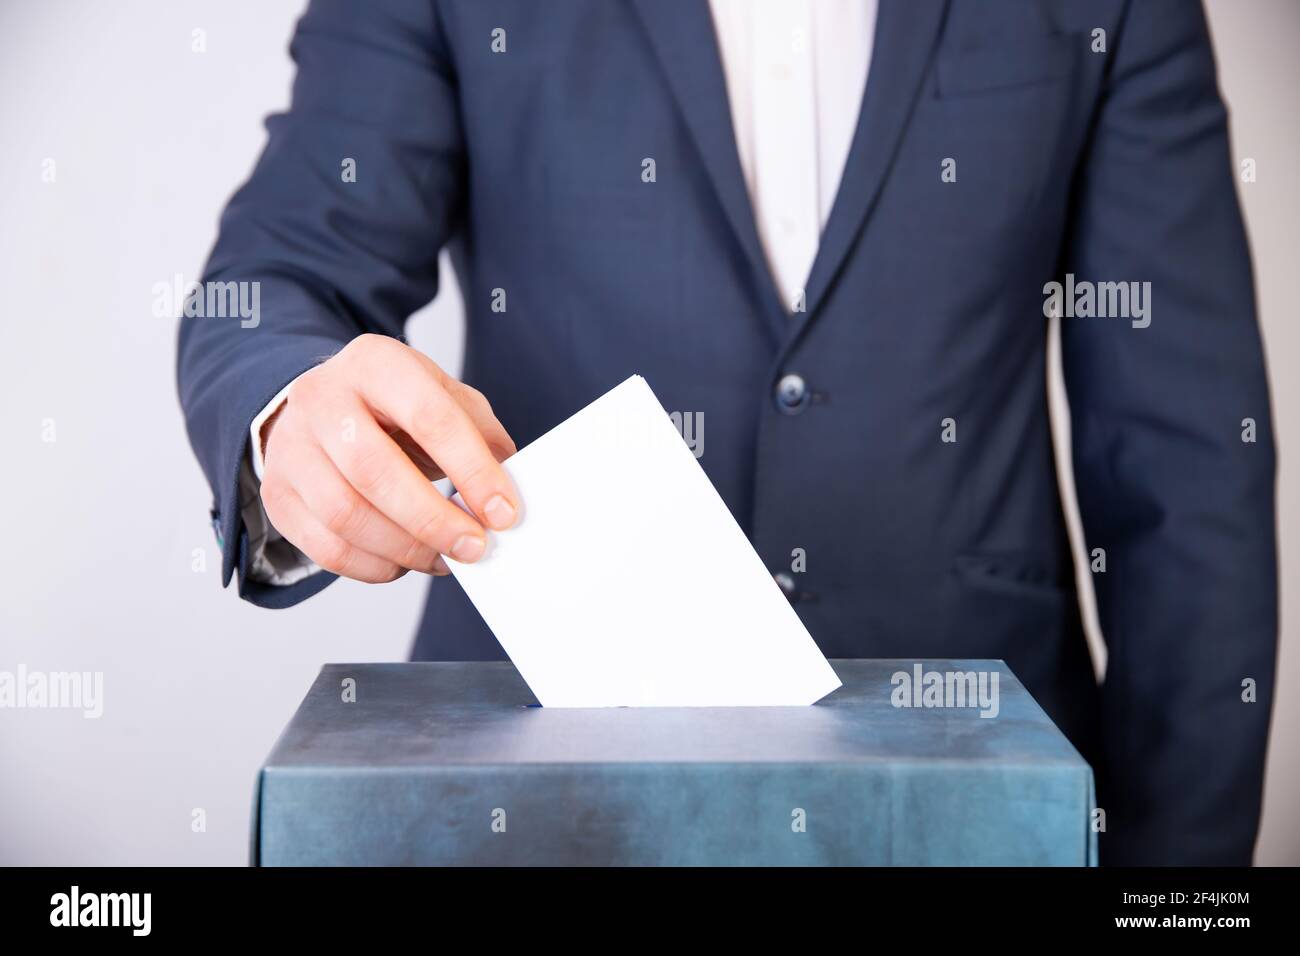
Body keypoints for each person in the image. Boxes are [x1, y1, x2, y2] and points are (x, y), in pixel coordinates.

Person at [177, 0, 1277, 865]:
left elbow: (1189, 460)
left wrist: (1172, 890)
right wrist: (291, 410)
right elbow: (283, 273)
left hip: (980, 804)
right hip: (526, 795)